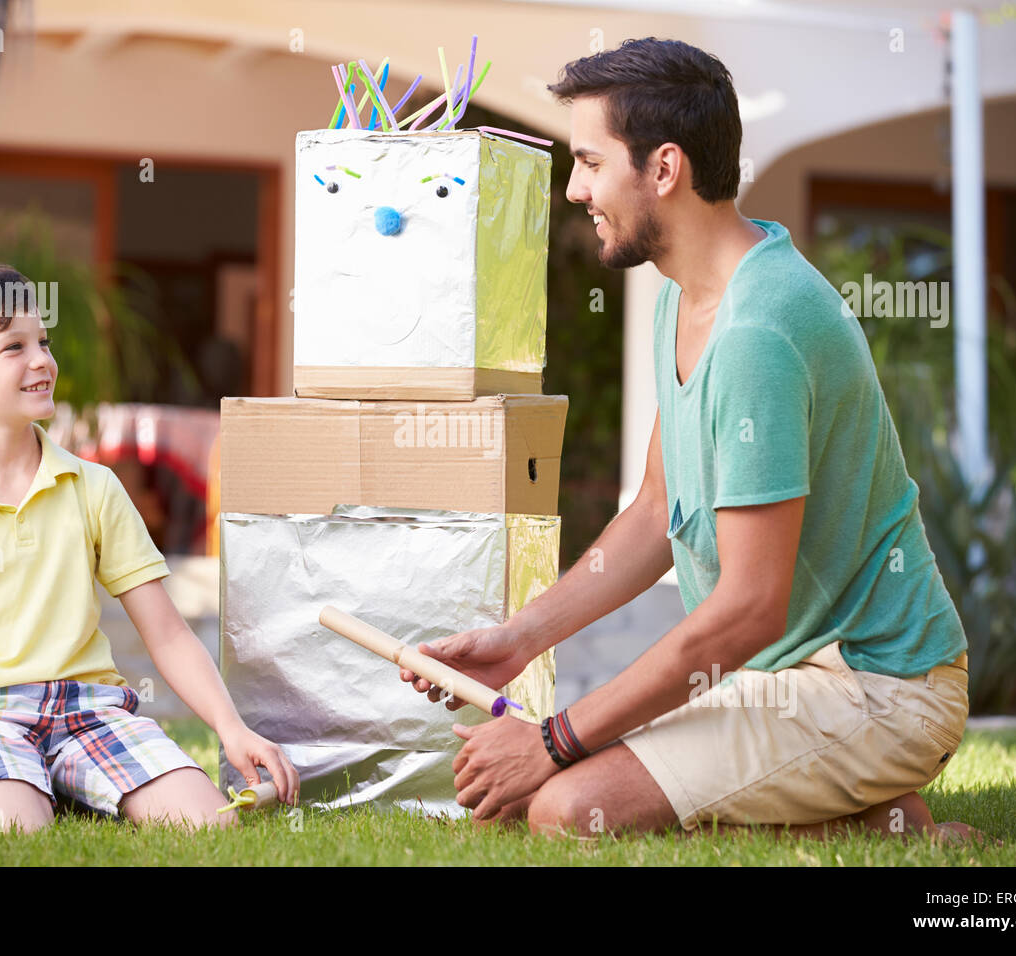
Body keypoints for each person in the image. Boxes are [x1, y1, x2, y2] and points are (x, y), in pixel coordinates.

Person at [401, 38, 984, 844]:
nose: (576, 190)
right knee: (570, 787)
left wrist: (552, 739)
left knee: (568, 809)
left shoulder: (758, 332)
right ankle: (882, 822)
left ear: (664, 167)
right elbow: (652, 516)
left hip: (875, 687)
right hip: (781, 676)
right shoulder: (686, 298)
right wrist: (517, 641)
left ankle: (878, 805)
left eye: (591, 163)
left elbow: (747, 609)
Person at [0, 262, 298, 833]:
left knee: (208, 822)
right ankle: (30, 789)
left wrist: (231, 727)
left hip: (90, 710)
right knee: (12, 827)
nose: (42, 360)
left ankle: (64, 782)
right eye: (13, 347)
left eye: (42, 342)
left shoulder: (94, 487)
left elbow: (168, 633)